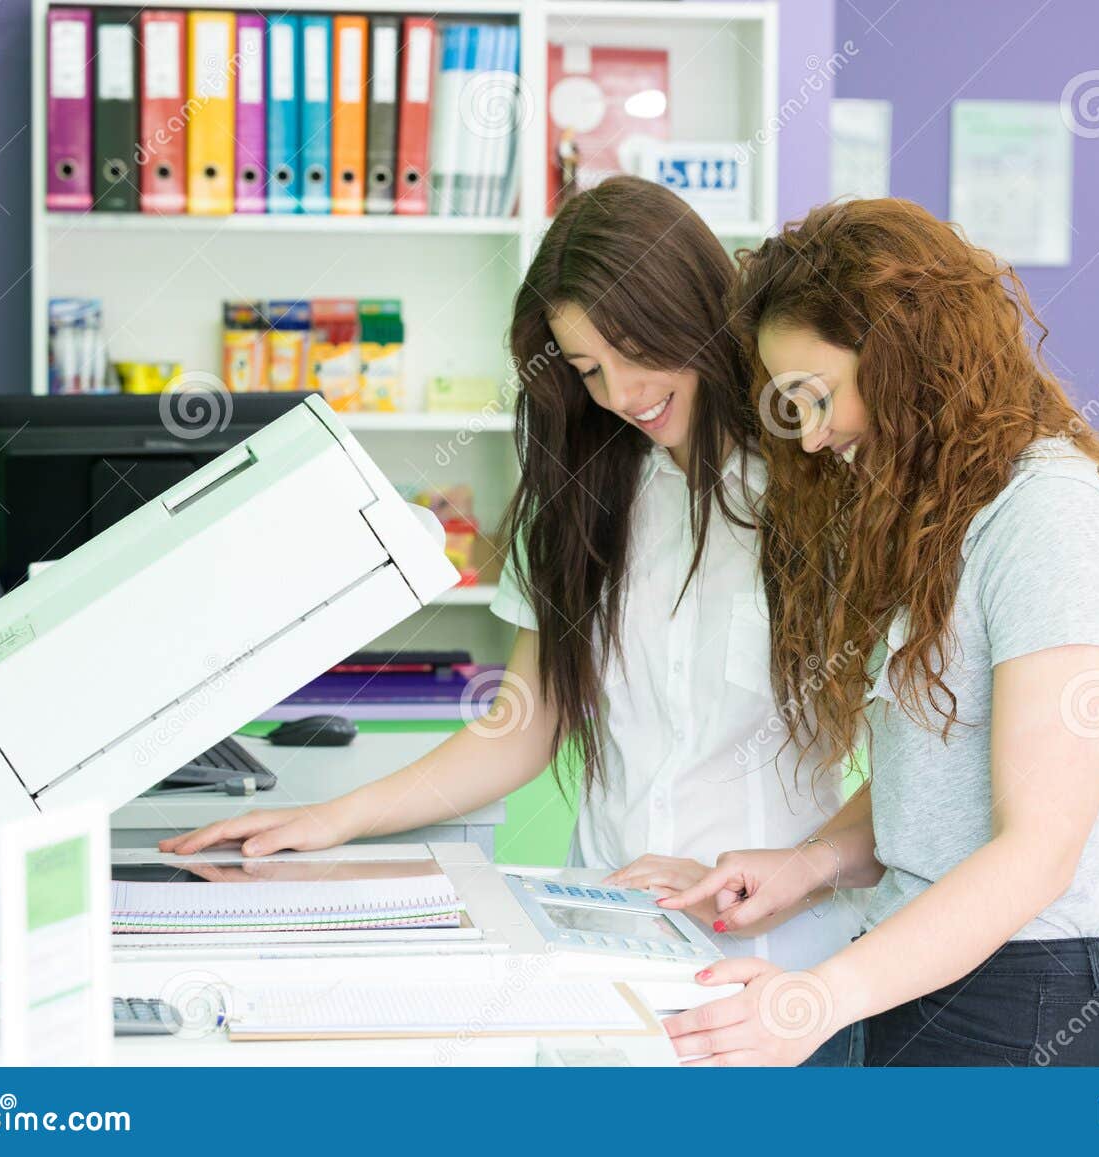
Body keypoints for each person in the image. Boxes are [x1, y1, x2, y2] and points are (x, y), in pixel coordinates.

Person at [159, 177, 859, 1062]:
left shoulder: (820, 487)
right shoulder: (583, 500)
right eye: (587, 369)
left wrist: (806, 868)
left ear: (701, 316)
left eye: (638, 352)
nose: (621, 394)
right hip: (606, 954)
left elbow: (918, 753)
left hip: (778, 970)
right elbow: (524, 726)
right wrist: (335, 817)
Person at [658, 197, 1099, 1067]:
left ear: (918, 362)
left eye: (821, 397)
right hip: (934, 979)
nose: (816, 434)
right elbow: (941, 774)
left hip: (1044, 1005)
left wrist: (815, 997)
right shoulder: (953, 516)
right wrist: (810, 864)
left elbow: (1036, 854)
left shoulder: (1050, 518)